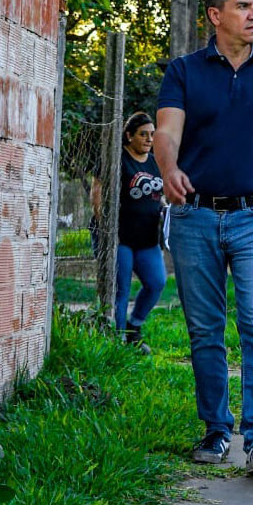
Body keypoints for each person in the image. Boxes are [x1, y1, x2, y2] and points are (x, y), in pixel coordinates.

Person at [154, 0, 253, 475]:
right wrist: (169, 170)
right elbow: (166, 132)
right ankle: (217, 430)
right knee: (205, 329)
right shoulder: (184, 72)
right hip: (195, 215)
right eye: (243, 6)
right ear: (215, 15)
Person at [90, 112, 167, 353]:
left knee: (156, 282)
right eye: (143, 134)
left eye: (152, 134)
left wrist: (164, 208)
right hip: (119, 237)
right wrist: (104, 226)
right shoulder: (117, 158)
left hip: (147, 237)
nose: (149, 139)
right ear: (129, 135)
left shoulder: (154, 161)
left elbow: (157, 193)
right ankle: (118, 342)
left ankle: (134, 327)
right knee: (120, 289)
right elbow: (97, 188)